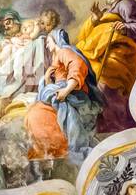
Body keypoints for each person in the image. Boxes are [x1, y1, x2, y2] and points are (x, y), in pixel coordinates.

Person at [75, 0, 136, 133]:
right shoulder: (105, 12)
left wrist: (125, 27)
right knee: (90, 82)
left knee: (105, 83)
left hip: (119, 52)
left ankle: (116, 125)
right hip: (97, 52)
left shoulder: (125, 4)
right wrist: (95, 19)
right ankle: (100, 124)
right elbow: (84, 38)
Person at [25, 28, 103, 161]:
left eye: (48, 42)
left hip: (72, 94)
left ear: (55, 40)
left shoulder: (63, 52)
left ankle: (61, 145)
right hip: (58, 91)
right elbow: (57, 79)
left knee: (40, 112)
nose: (47, 45)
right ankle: (50, 146)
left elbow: (77, 66)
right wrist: (49, 81)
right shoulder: (56, 59)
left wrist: (66, 90)